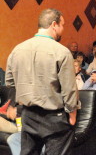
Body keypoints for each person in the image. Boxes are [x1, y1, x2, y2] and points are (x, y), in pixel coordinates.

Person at [5, 8, 80, 154]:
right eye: (62, 25)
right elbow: (69, 88)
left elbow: (9, 82)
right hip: (54, 118)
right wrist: (73, 114)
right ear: (54, 24)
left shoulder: (17, 50)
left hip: (28, 115)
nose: (63, 29)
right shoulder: (62, 52)